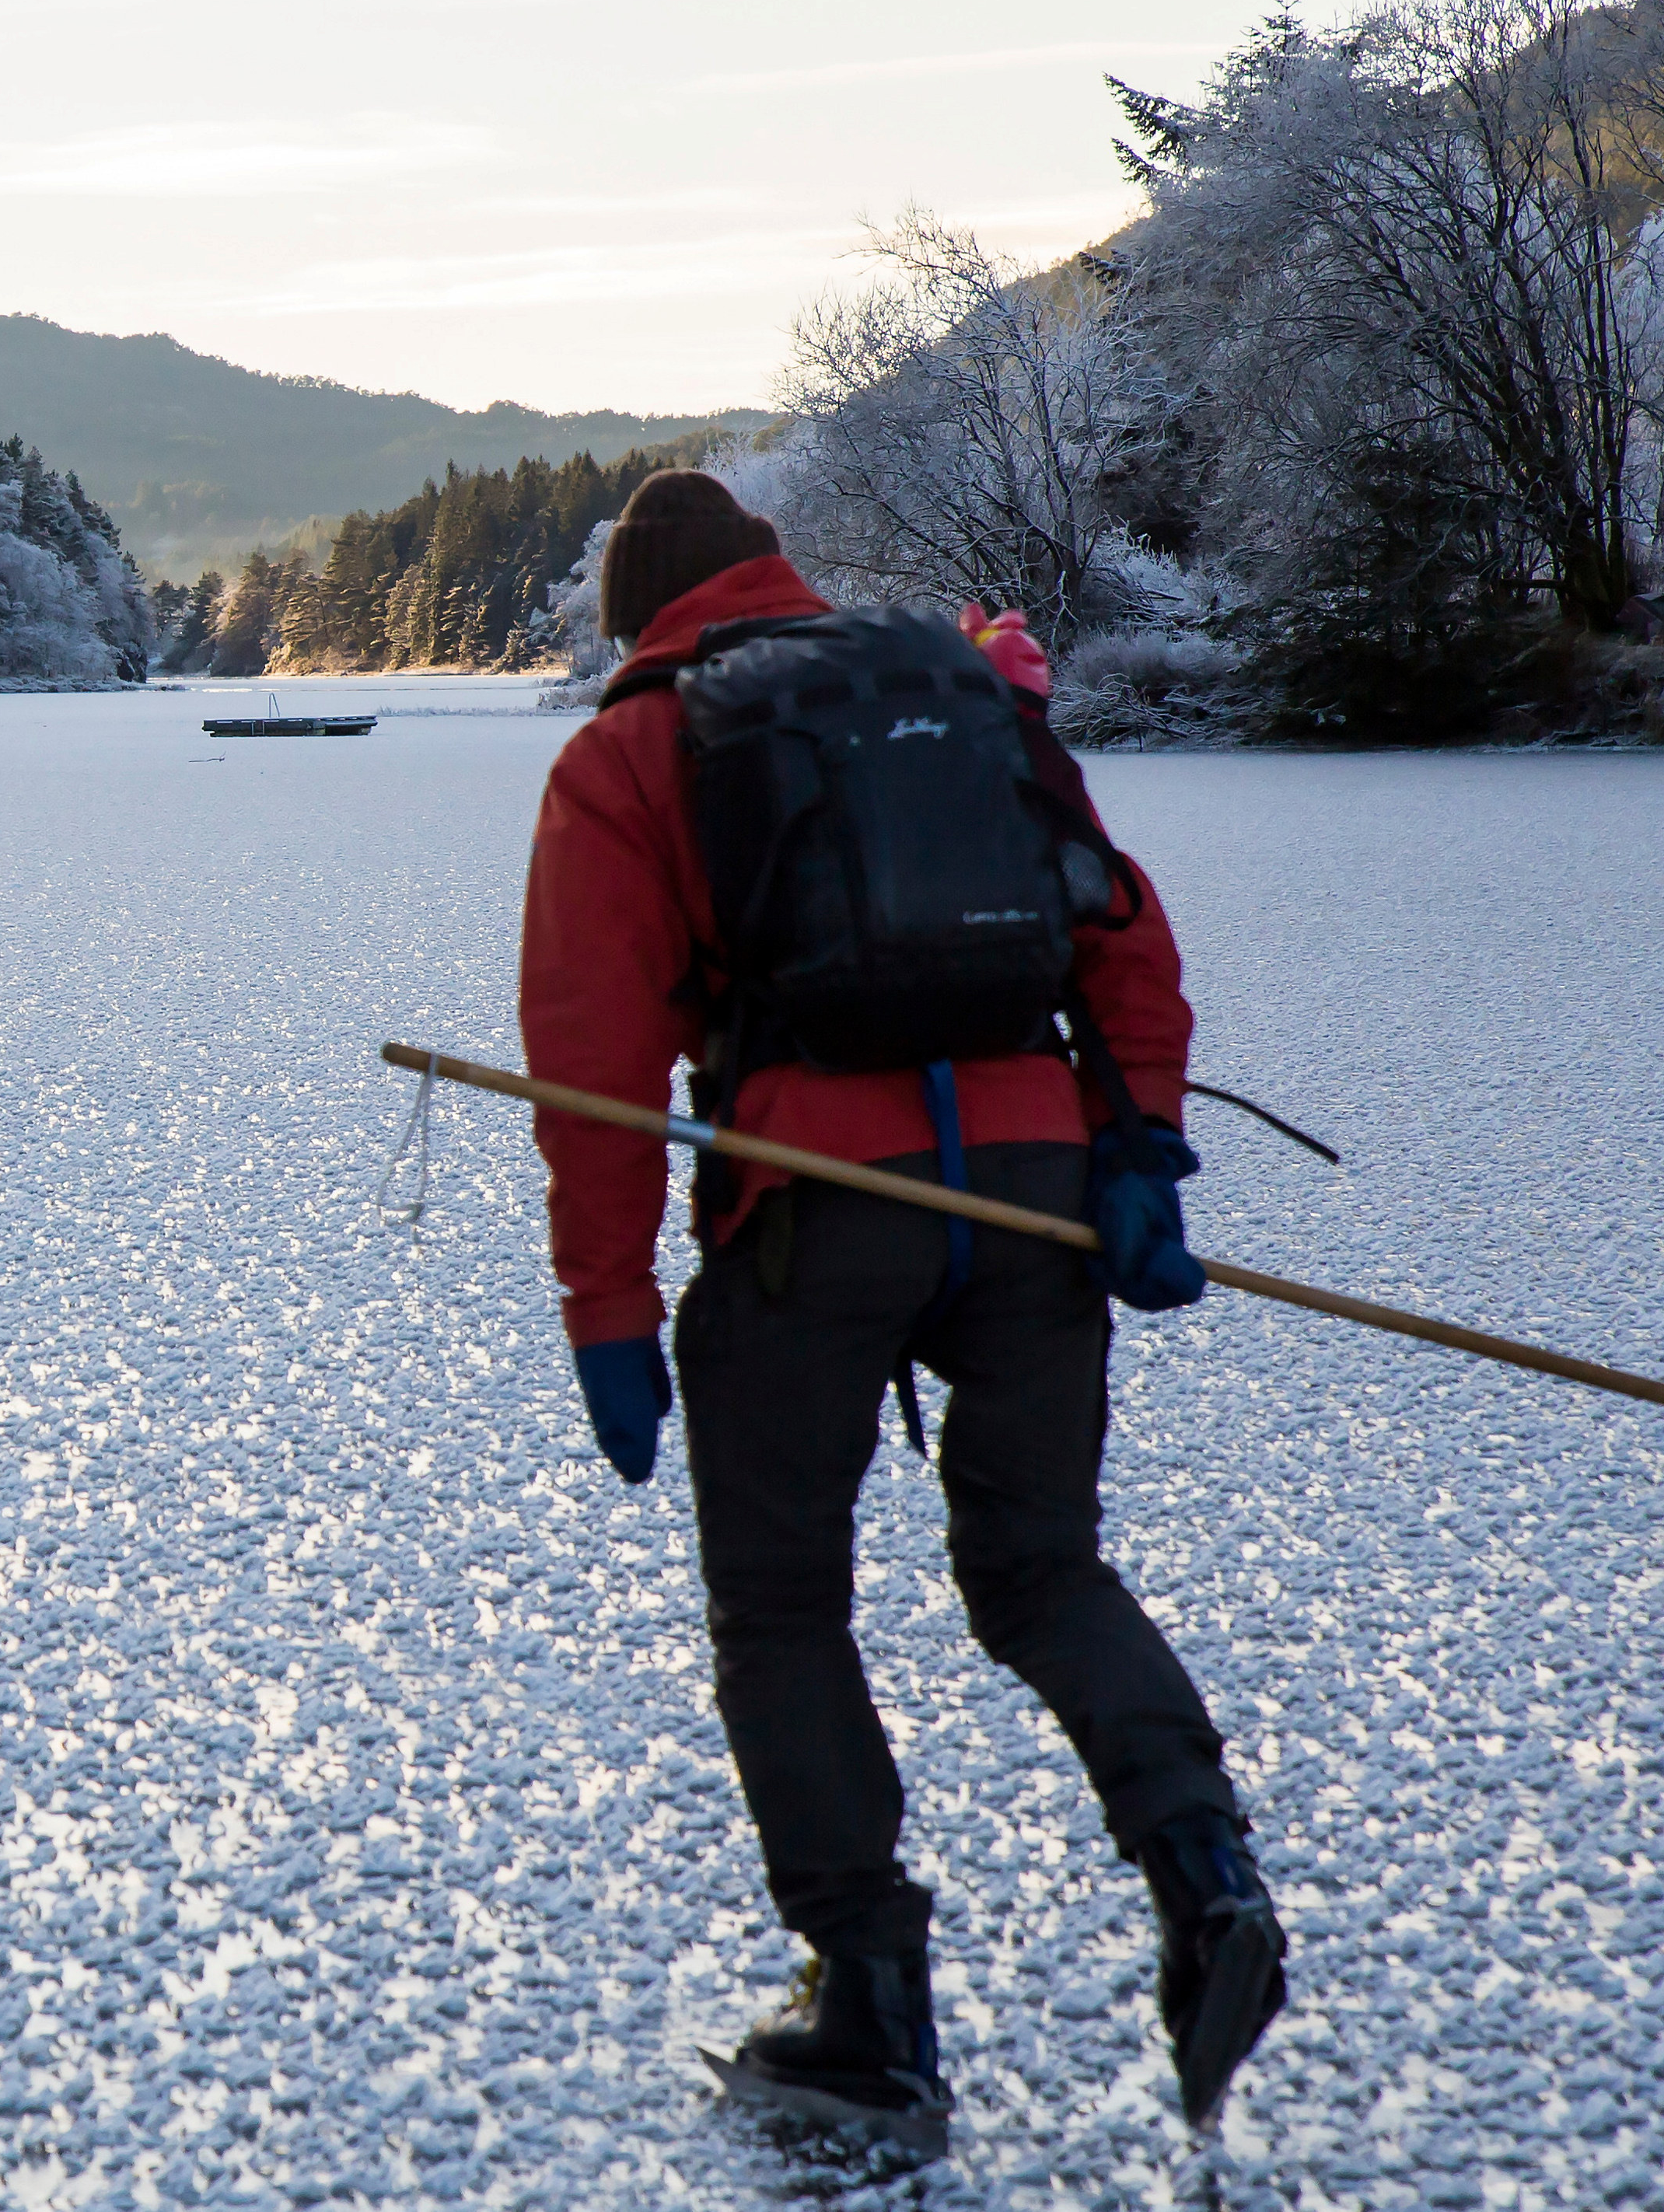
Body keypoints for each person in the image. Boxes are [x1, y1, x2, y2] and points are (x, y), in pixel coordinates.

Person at [517, 470, 1281, 2148]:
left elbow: (596, 1075)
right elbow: (1123, 937)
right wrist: (1141, 1141)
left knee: (783, 1612)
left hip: (814, 1215)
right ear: (772, 576)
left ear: (639, 610)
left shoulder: (634, 746)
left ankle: (871, 2002)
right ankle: (1202, 1864)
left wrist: (607, 1302)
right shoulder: (951, 692)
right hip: (1033, 1191)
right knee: (1044, 1566)